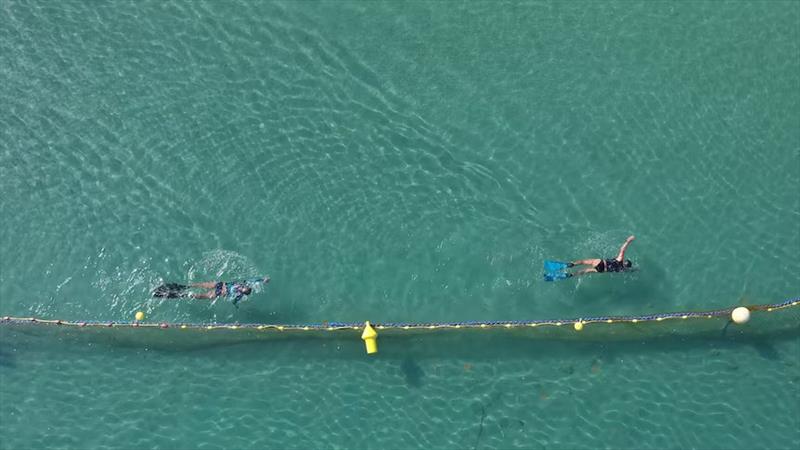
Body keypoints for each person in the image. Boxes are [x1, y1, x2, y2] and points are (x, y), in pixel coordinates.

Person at [569, 235, 635, 276]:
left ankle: (571, 264)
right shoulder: (622, 269)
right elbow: (630, 270)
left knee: (583, 262)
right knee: (586, 271)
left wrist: (628, 241)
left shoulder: (620, 259)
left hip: (601, 263)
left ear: (624, 262)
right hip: (602, 270)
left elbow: (622, 250)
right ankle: (571, 275)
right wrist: (636, 270)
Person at [189, 276, 270, 305]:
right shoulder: (244, 283)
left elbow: (234, 302)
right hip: (221, 285)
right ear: (245, 286)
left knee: (205, 296)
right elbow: (253, 280)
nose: (241, 288)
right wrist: (263, 279)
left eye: (242, 290)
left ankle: (190, 295)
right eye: (243, 287)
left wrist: (236, 304)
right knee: (203, 285)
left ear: (243, 293)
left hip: (220, 291)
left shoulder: (239, 295)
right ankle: (188, 286)